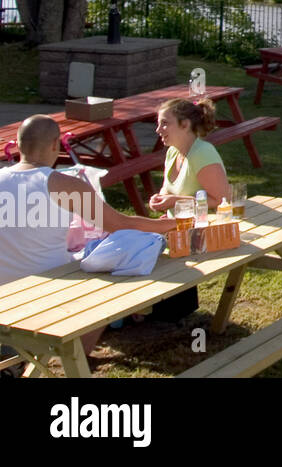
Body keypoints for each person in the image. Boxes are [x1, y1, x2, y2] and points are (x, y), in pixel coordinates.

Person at [0, 114, 175, 360]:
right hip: (49, 289)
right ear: (55, 146)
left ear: (17, 145)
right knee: (112, 288)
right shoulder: (65, 185)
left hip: (5, 291)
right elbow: (119, 224)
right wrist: (168, 225)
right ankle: (76, 360)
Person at [146, 97, 231, 322]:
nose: (158, 129)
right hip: (178, 228)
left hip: (208, 229)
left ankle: (162, 312)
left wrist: (174, 203)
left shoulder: (202, 152)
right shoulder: (173, 152)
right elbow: (169, 193)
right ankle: (149, 311)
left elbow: (222, 199)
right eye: (158, 123)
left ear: (185, 125)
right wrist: (161, 202)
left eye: (165, 123)